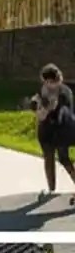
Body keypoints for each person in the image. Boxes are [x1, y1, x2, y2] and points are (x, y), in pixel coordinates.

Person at [33, 63, 75, 198]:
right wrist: (40, 110)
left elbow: (66, 114)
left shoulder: (65, 92)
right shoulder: (42, 91)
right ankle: (51, 191)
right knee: (48, 158)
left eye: (52, 81)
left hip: (62, 130)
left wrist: (52, 108)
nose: (49, 85)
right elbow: (40, 113)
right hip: (46, 131)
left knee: (64, 159)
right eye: (46, 82)